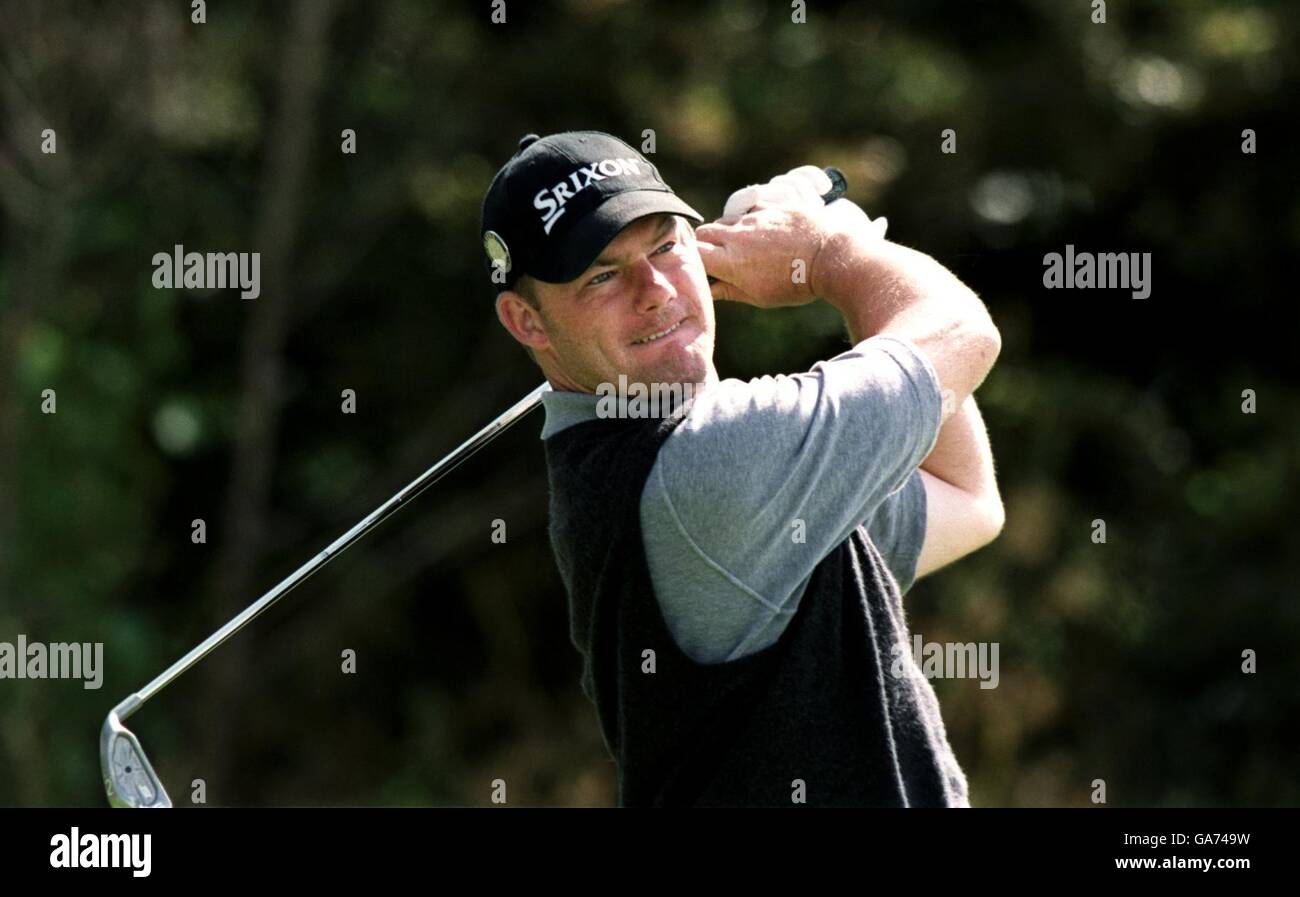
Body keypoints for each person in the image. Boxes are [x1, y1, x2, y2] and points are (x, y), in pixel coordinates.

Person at [480, 130, 1003, 807]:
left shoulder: (652, 464)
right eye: (602, 276)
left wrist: (850, 271)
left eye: (667, 246)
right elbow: (965, 332)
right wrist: (830, 254)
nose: (655, 291)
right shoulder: (701, 468)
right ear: (528, 321)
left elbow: (968, 498)